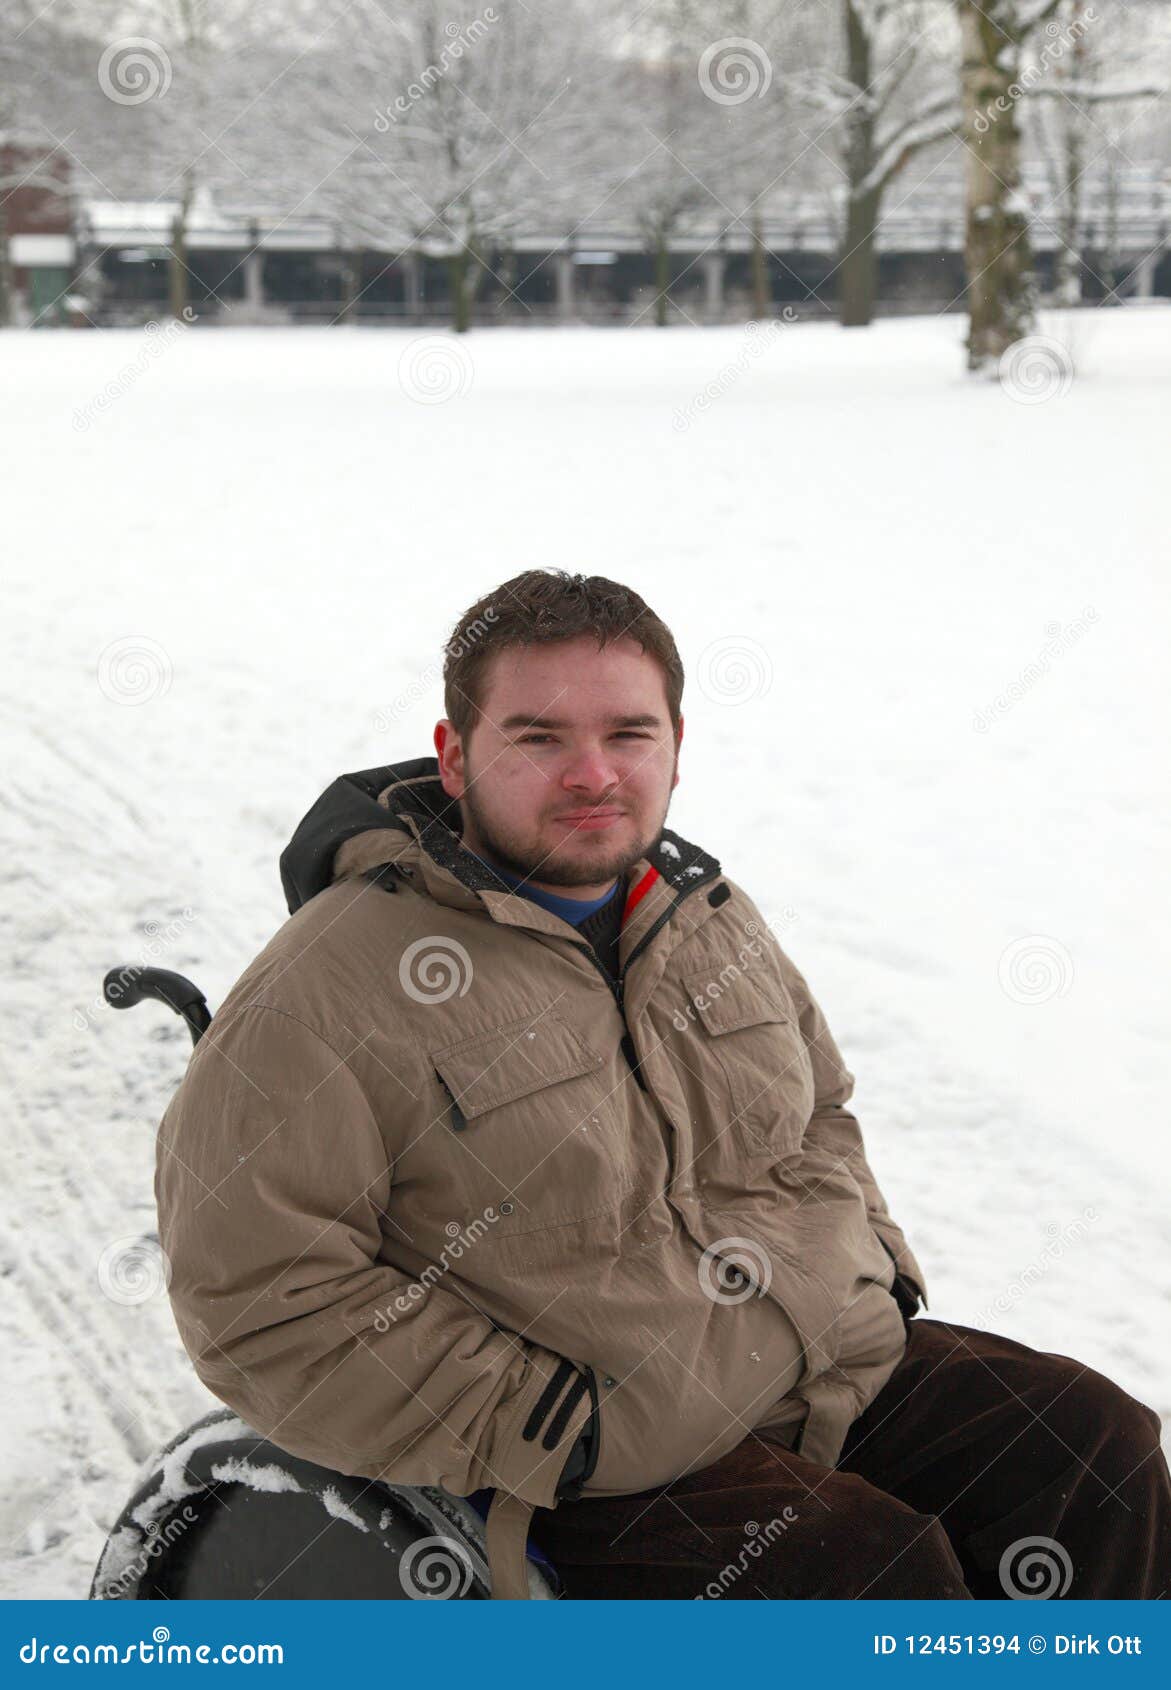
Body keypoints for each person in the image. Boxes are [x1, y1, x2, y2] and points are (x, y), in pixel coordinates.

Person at [156, 569, 1169, 1600]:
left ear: (676, 745)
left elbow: (817, 1109)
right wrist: (548, 1430)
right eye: (539, 736)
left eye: (628, 734)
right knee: (866, 1576)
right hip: (589, 1457)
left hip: (819, 1363)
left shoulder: (703, 915)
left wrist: (874, 1267)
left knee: (1096, 1452)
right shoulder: (324, 990)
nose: (592, 773)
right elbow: (262, 1300)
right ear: (455, 756)